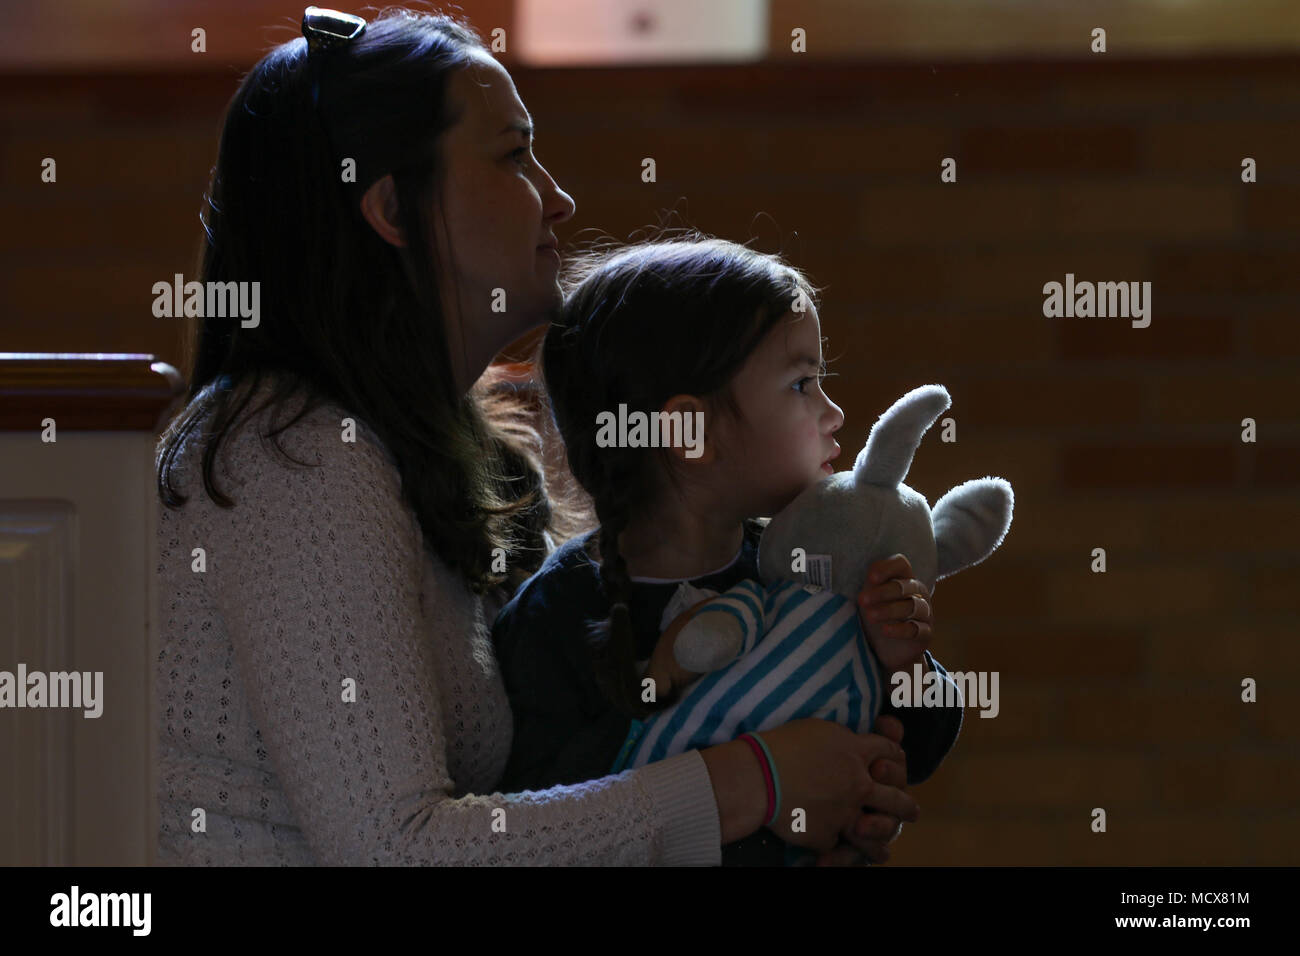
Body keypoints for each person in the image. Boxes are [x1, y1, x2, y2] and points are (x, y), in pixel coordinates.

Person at [153, 6, 917, 865]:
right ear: (394, 208)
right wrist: (750, 784)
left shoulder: (437, 451)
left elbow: (537, 794)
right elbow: (394, 851)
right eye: (514, 156)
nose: (559, 197)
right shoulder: (287, 459)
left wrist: (814, 799)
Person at [493, 237, 964, 865]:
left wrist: (902, 662)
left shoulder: (812, 568)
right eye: (802, 384)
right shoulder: (557, 612)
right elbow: (546, 821)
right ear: (692, 432)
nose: (835, 412)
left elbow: (916, 751)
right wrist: (658, 691)